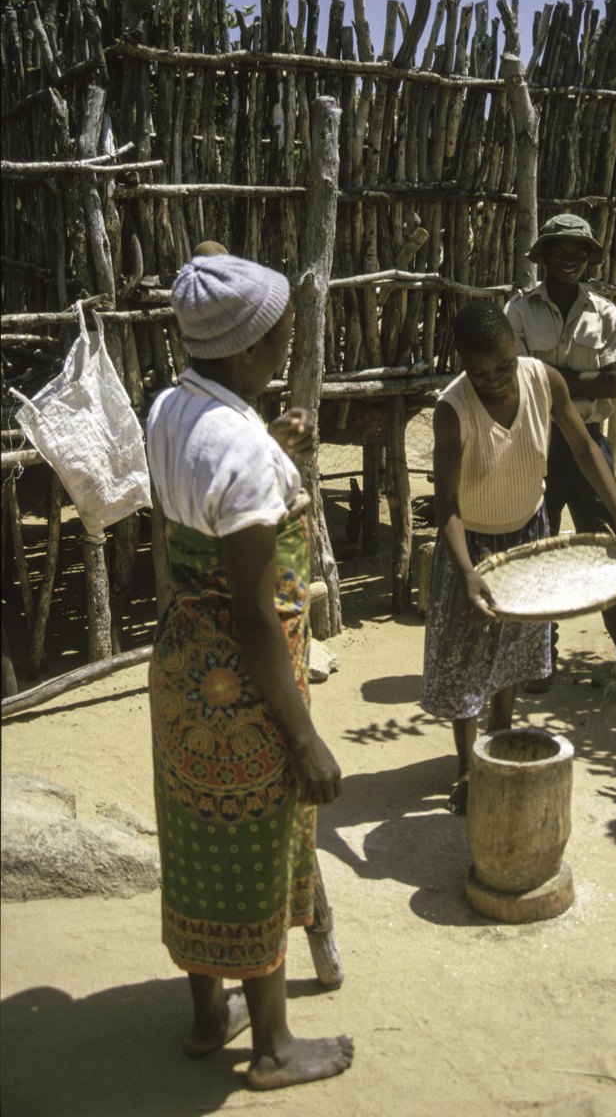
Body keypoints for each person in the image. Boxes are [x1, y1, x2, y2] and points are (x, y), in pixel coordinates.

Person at [146, 253, 353, 1091]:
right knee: (259, 847)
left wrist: (276, 447)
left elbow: (207, 494)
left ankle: (208, 1018)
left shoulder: (171, 404)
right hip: (244, 684)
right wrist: (301, 737)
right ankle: (271, 1048)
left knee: (197, 841)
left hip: (183, 675)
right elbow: (255, 610)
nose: (289, 340)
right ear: (244, 349)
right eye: (280, 330)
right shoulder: (240, 448)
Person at [421, 299, 616, 815]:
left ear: (515, 350)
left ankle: (498, 740)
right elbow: (448, 505)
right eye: (481, 373)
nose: (496, 379)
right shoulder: (452, 412)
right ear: (463, 365)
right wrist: (467, 574)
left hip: (529, 536)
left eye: (503, 366)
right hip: (473, 548)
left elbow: (585, 447)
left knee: (514, 651)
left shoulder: (544, 379)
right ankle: (465, 764)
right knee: (465, 661)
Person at [505, 213, 616, 710]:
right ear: (545, 255)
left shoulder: (604, 313)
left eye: (579, 252)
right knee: (538, 551)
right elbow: (516, 383)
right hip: (535, 444)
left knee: (614, 553)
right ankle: (539, 658)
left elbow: (614, 383)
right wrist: (581, 382)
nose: (570, 259)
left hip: (590, 445)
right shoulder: (518, 310)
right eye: (561, 250)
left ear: (587, 259)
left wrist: (551, 379)